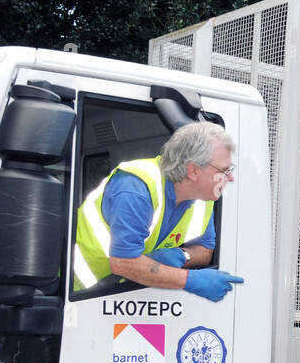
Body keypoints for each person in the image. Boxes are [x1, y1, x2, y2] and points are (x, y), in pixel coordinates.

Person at [72, 121, 245, 300]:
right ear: (193, 171)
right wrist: (189, 280)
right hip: (81, 294)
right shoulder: (136, 187)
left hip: (125, 294)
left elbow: (205, 249)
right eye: (224, 170)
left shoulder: (203, 198)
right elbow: (123, 263)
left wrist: (182, 255)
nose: (230, 178)